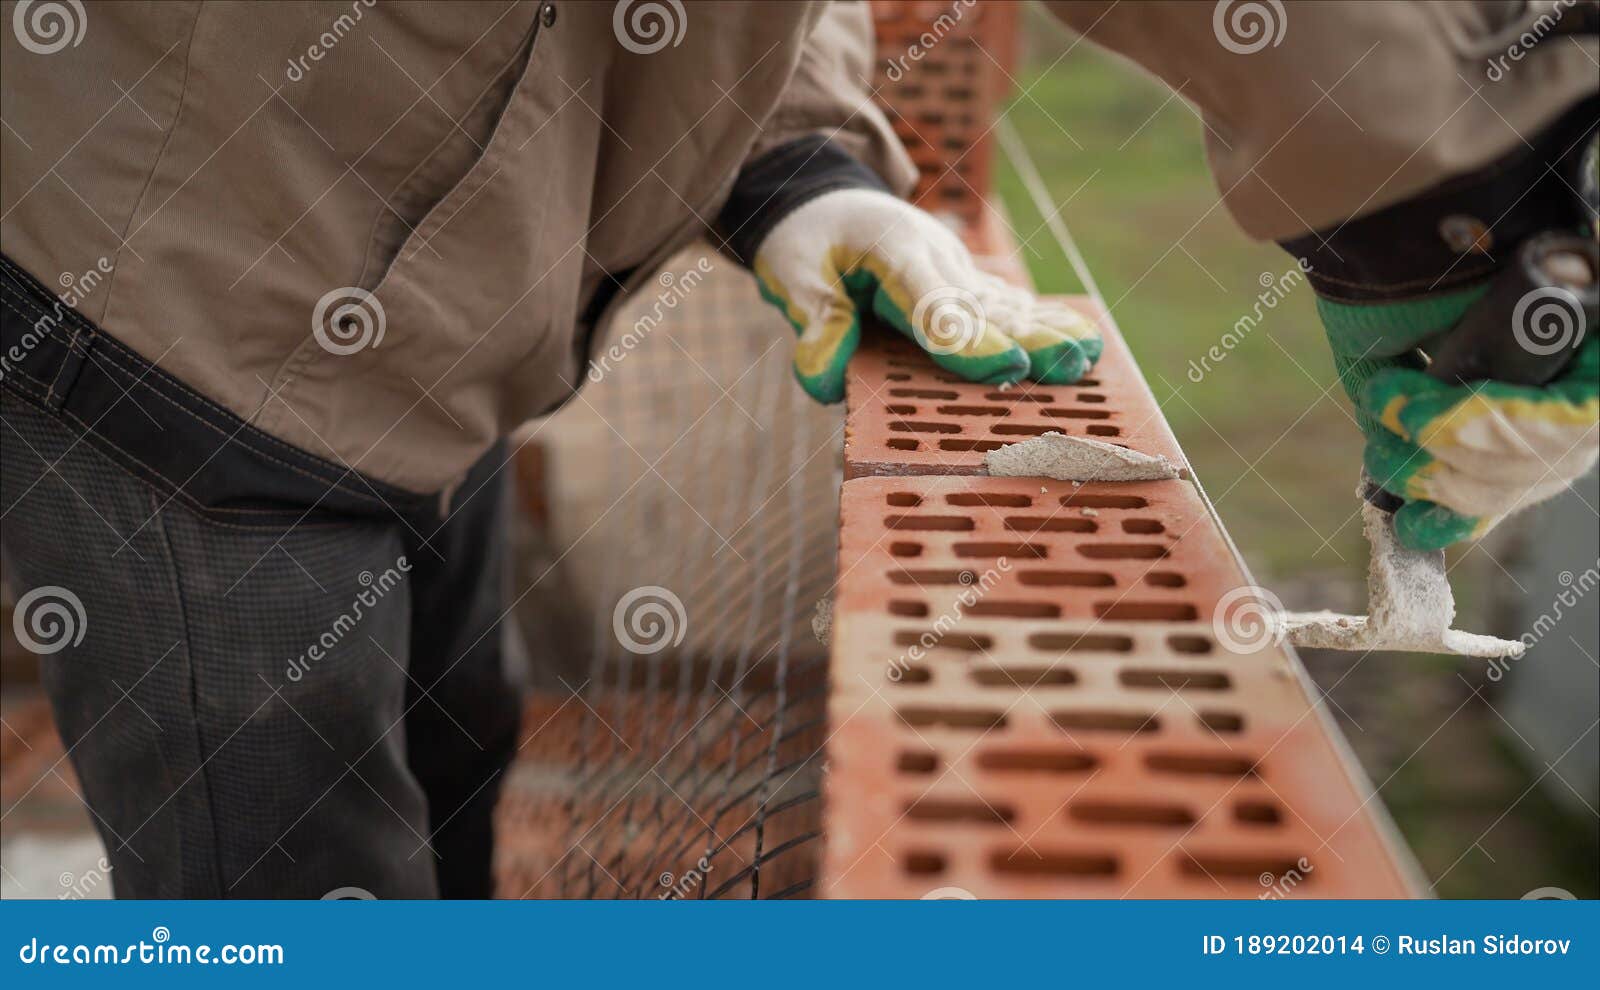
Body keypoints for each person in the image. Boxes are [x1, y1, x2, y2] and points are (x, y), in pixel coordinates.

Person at [0, 0, 1592, 899]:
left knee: (457, 735)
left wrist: (801, 168)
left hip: (424, 304)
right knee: (290, 873)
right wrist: (1446, 160)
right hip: (159, 299)